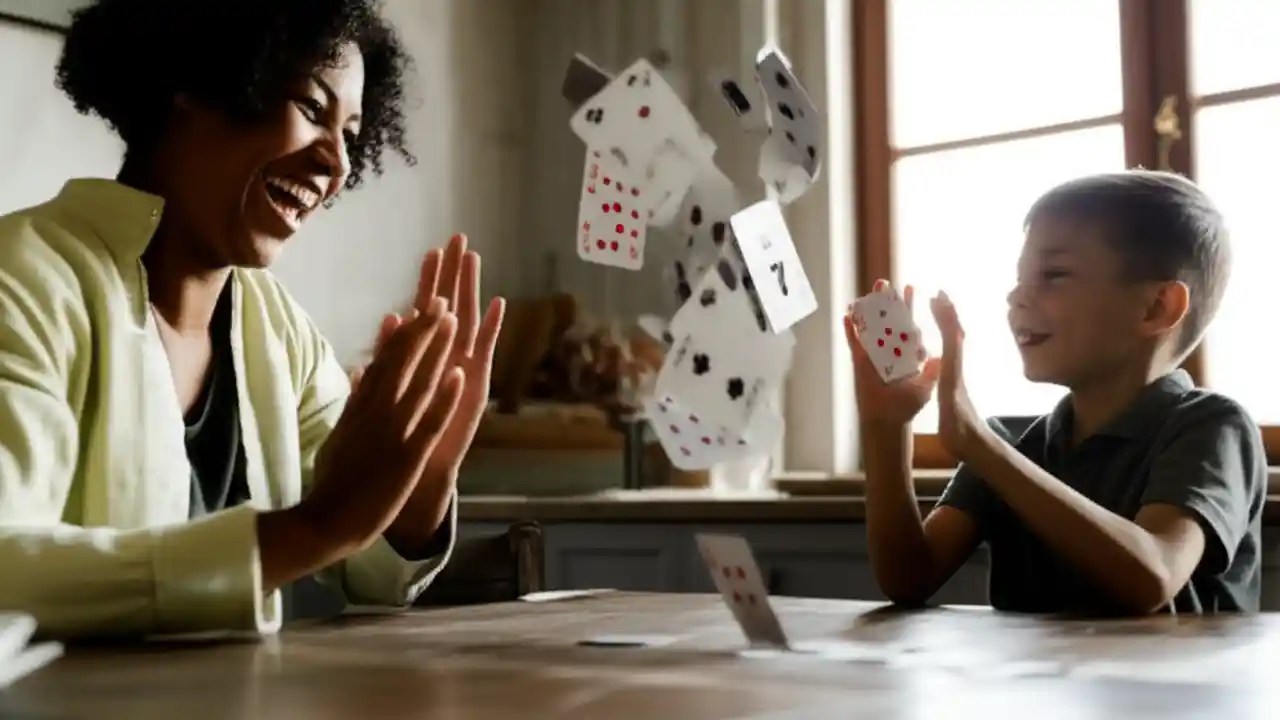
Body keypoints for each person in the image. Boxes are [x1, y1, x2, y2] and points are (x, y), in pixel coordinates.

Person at [0, 0, 505, 638]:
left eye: (350, 135)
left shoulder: (280, 331)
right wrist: (313, 527)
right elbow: (5, 575)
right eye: (311, 110)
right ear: (201, 85)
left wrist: (423, 473)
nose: (338, 166)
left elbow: (372, 573)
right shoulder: (21, 280)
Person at [848, 170, 1265, 615]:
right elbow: (910, 576)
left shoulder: (1212, 427)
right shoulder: (1011, 442)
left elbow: (1154, 575)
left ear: (1156, 307)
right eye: (1019, 278)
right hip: (1038, 683)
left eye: (1053, 275)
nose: (1016, 298)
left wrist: (981, 448)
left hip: (1171, 685)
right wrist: (887, 426)